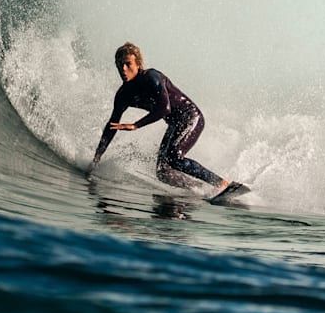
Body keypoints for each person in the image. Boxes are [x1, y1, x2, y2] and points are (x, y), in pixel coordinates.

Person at [88, 42, 242, 199]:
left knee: (174, 156)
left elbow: (164, 108)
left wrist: (136, 125)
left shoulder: (151, 78)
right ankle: (201, 189)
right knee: (163, 172)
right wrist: (97, 157)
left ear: (138, 64)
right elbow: (111, 126)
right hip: (175, 124)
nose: (123, 69)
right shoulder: (123, 94)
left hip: (190, 117)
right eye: (119, 65)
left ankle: (222, 184)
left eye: (128, 64)